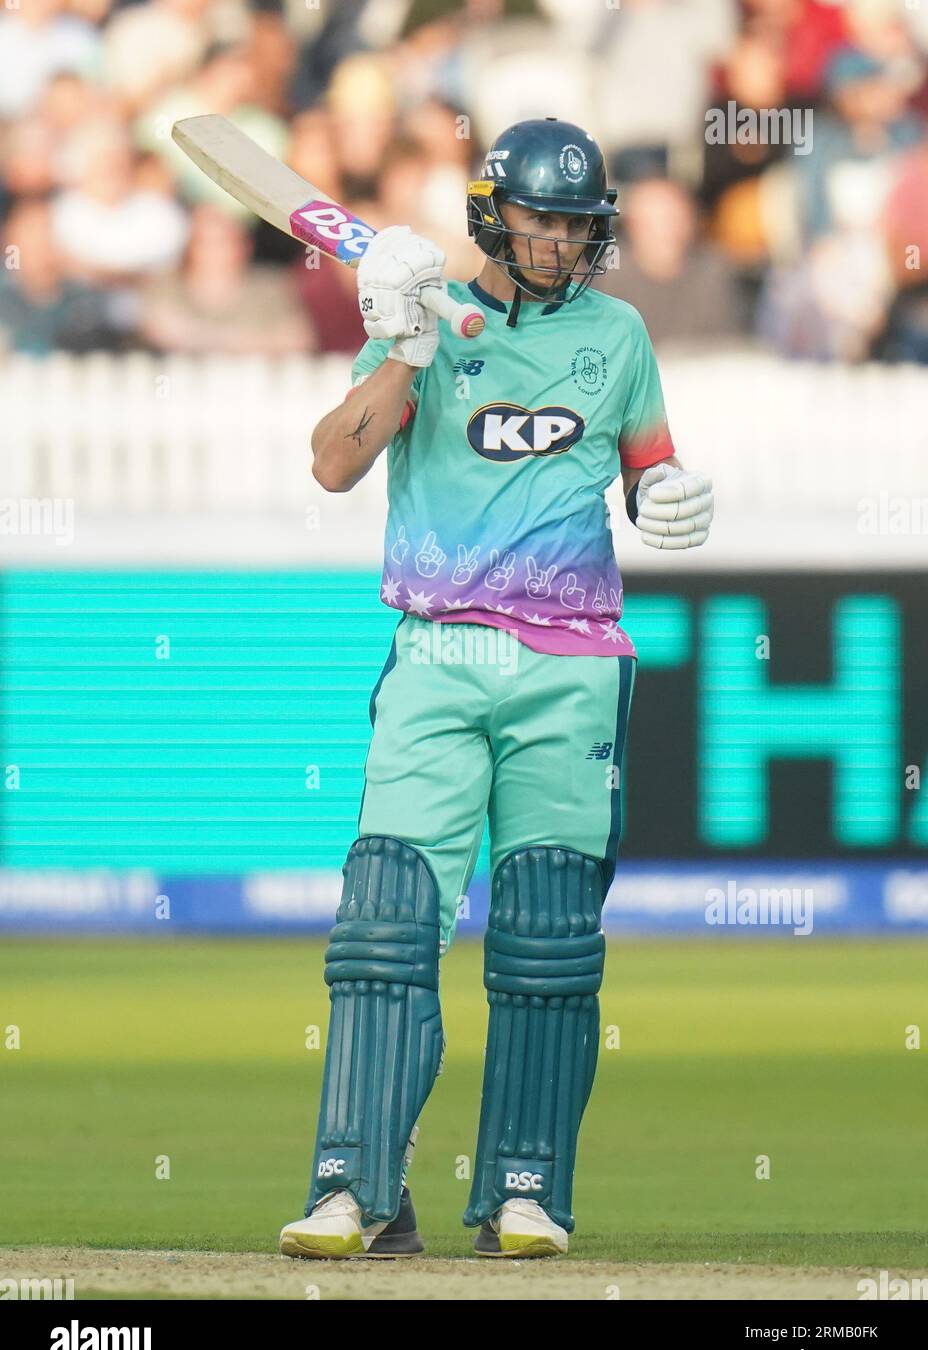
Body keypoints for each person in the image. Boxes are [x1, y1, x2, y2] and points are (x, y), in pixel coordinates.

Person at [279, 117, 714, 1261]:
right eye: (540, 218)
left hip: (570, 665)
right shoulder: (423, 322)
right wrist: (404, 349)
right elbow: (332, 463)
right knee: (384, 924)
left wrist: (670, 496)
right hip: (436, 651)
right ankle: (353, 1190)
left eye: (577, 223)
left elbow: (648, 469)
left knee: (547, 939)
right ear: (491, 215)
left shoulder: (617, 337)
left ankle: (526, 1190)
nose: (560, 239)